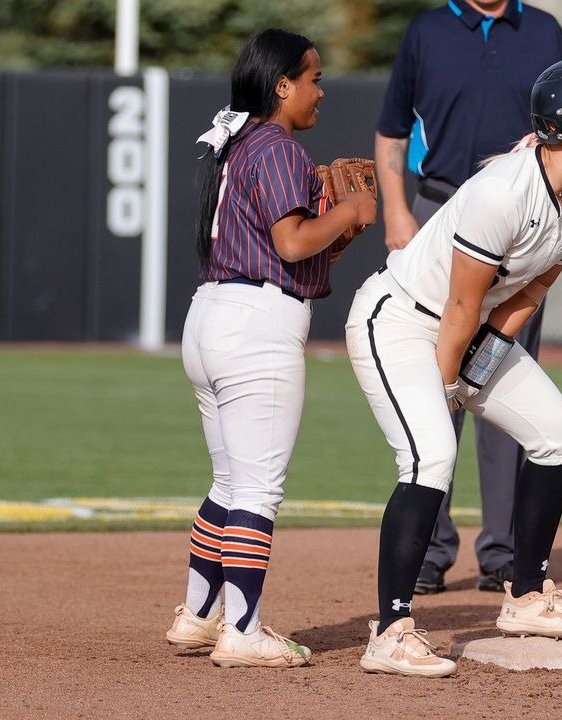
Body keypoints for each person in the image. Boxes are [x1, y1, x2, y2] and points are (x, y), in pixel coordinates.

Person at [346, 56, 562, 677]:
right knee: (431, 457)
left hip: (470, 326)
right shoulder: (503, 191)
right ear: (556, 121)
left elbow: (531, 293)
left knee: (559, 435)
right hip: (399, 320)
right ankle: (391, 630)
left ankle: (526, 597)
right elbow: (458, 304)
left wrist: (478, 369)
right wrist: (449, 384)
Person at [163, 28, 377, 669]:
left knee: (229, 481)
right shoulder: (279, 147)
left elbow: (284, 244)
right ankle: (243, 630)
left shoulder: (239, 141)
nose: (321, 91)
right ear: (283, 85)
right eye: (314, 78)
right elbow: (291, 242)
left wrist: (329, 223)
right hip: (257, 325)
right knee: (256, 491)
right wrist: (351, 211)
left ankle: (198, 616)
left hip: (210, 315)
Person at [374, 0, 562, 595]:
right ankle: (428, 551)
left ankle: (503, 552)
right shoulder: (427, 31)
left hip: (519, 222)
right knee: (433, 385)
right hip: (440, 211)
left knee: (497, 378)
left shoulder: (543, 30)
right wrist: (397, 212)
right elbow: (392, 131)